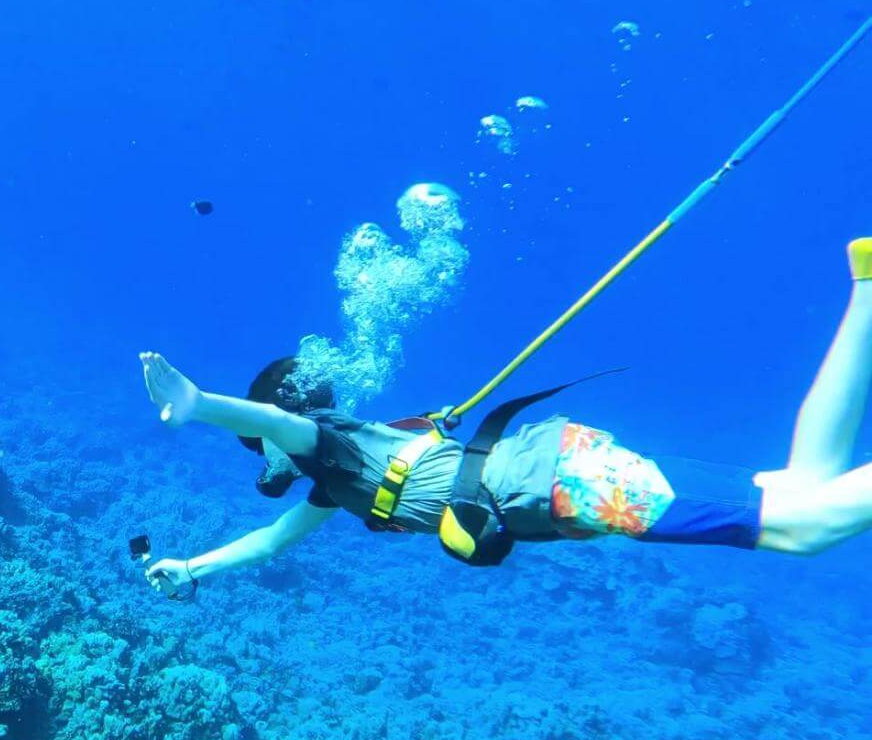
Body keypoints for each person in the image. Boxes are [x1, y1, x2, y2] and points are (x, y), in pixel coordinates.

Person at [137, 240, 872, 590]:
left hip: (554, 481)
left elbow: (279, 428)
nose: (264, 467)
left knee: (804, 529)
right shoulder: (337, 485)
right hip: (559, 477)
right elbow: (269, 542)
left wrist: (202, 406)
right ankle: (867, 285)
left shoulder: (321, 444)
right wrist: (193, 567)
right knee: (804, 484)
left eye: (253, 448)